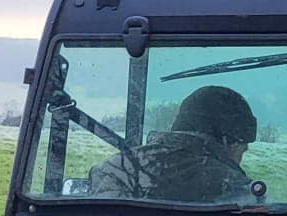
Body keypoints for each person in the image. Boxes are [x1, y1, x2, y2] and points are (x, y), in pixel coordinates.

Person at [86, 84, 258, 202]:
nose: (239, 161)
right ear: (230, 142)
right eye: (242, 151)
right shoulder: (234, 187)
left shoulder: (112, 169)